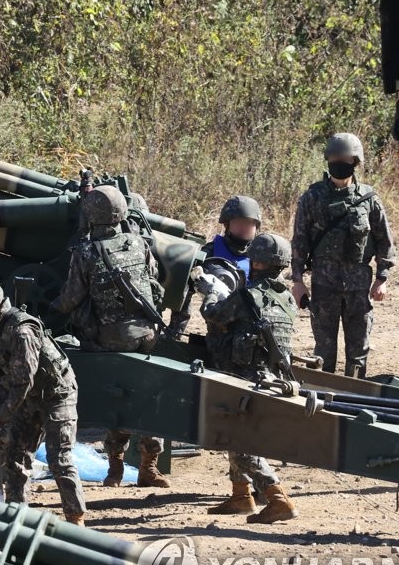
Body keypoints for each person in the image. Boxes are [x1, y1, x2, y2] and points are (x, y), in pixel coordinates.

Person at [51, 185, 170, 489]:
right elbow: (154, 282)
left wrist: (50, 309)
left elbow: (71, 298)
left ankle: (115, 469)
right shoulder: (139, 244)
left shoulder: (86, 252)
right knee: (145, 397)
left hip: (107, 341)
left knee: (117, 398)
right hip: (147, 335)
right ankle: (149, 468)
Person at [0, 274, 87, 526]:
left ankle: (76, 518)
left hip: (56, 394)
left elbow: (22, 383)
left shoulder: (22, 331)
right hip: (25, 398)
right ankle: (17, 517)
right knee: (14, 456)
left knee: (59, 458)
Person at [196, 232, 299, 524]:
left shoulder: (247, 296)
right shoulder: (287, 299)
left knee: (238, 439)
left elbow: (213, 314)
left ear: (258, 263)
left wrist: (211, 291)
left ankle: (278, 499)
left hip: (244, 378)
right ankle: (241, 495)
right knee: (235, 431)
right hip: (270, 376)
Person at [291, 133, 396, 378]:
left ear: (355, 162)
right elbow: (300, 241)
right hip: (323, 284)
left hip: (358, 286)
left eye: (345, 159)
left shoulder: (369, 199)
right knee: (323, 351)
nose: (339, 163)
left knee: (359, 350)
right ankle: (320, 394)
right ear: (328, 160)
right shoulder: (313, 197)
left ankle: (354, 394)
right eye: (335, 158)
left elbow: (384, 241)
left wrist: (382, 278)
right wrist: (297, 281)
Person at [167, 195, 262, 339]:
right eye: (239, 222)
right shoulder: (210, 252)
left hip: (251, 327)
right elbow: (185, 291)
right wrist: (175, 331)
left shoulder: (261, 257)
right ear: (227, 224)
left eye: (249, 223)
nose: (244, 227)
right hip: (218, 320)